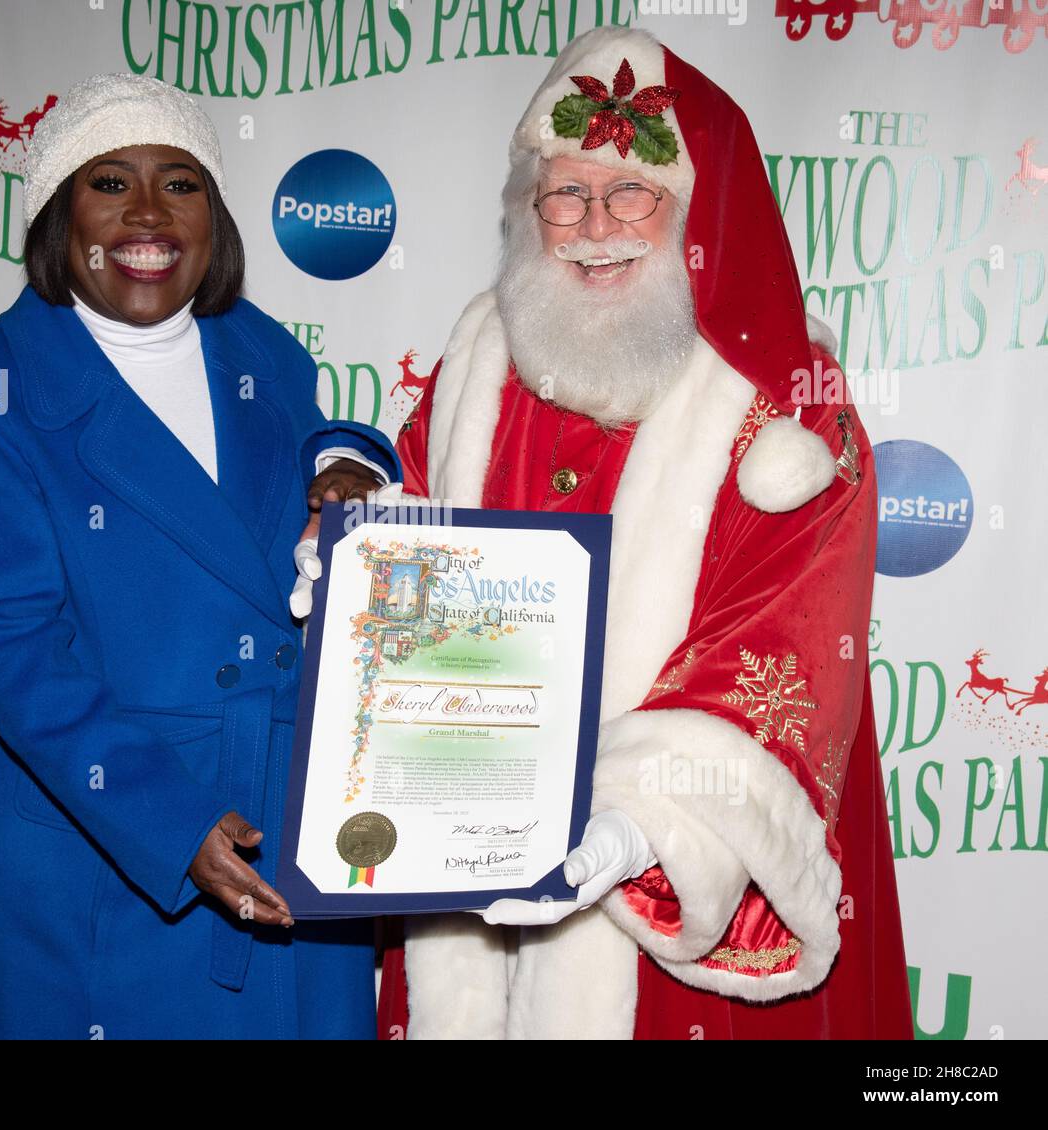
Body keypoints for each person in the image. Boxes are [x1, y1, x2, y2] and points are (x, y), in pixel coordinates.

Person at [368, 26, 913, 1039]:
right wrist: (354, 556)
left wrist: (630, 827)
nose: (590, 226)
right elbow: (411, 521)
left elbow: (787, 641)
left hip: (667, 896)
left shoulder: (789, 411)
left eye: (630, 194)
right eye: (563, 194)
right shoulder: (476, 363)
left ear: (693, 213)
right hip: (467, 853)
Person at [0, 73, 397, 1039]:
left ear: (214, 217)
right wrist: (170, 827)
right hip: (102, 850)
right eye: (109, 183)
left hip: (285, 828)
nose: (146, 212)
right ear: (60, 214)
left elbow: (305, 464)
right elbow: (7, 645)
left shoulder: (268, 355)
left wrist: (354, 463)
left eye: (180, 183)